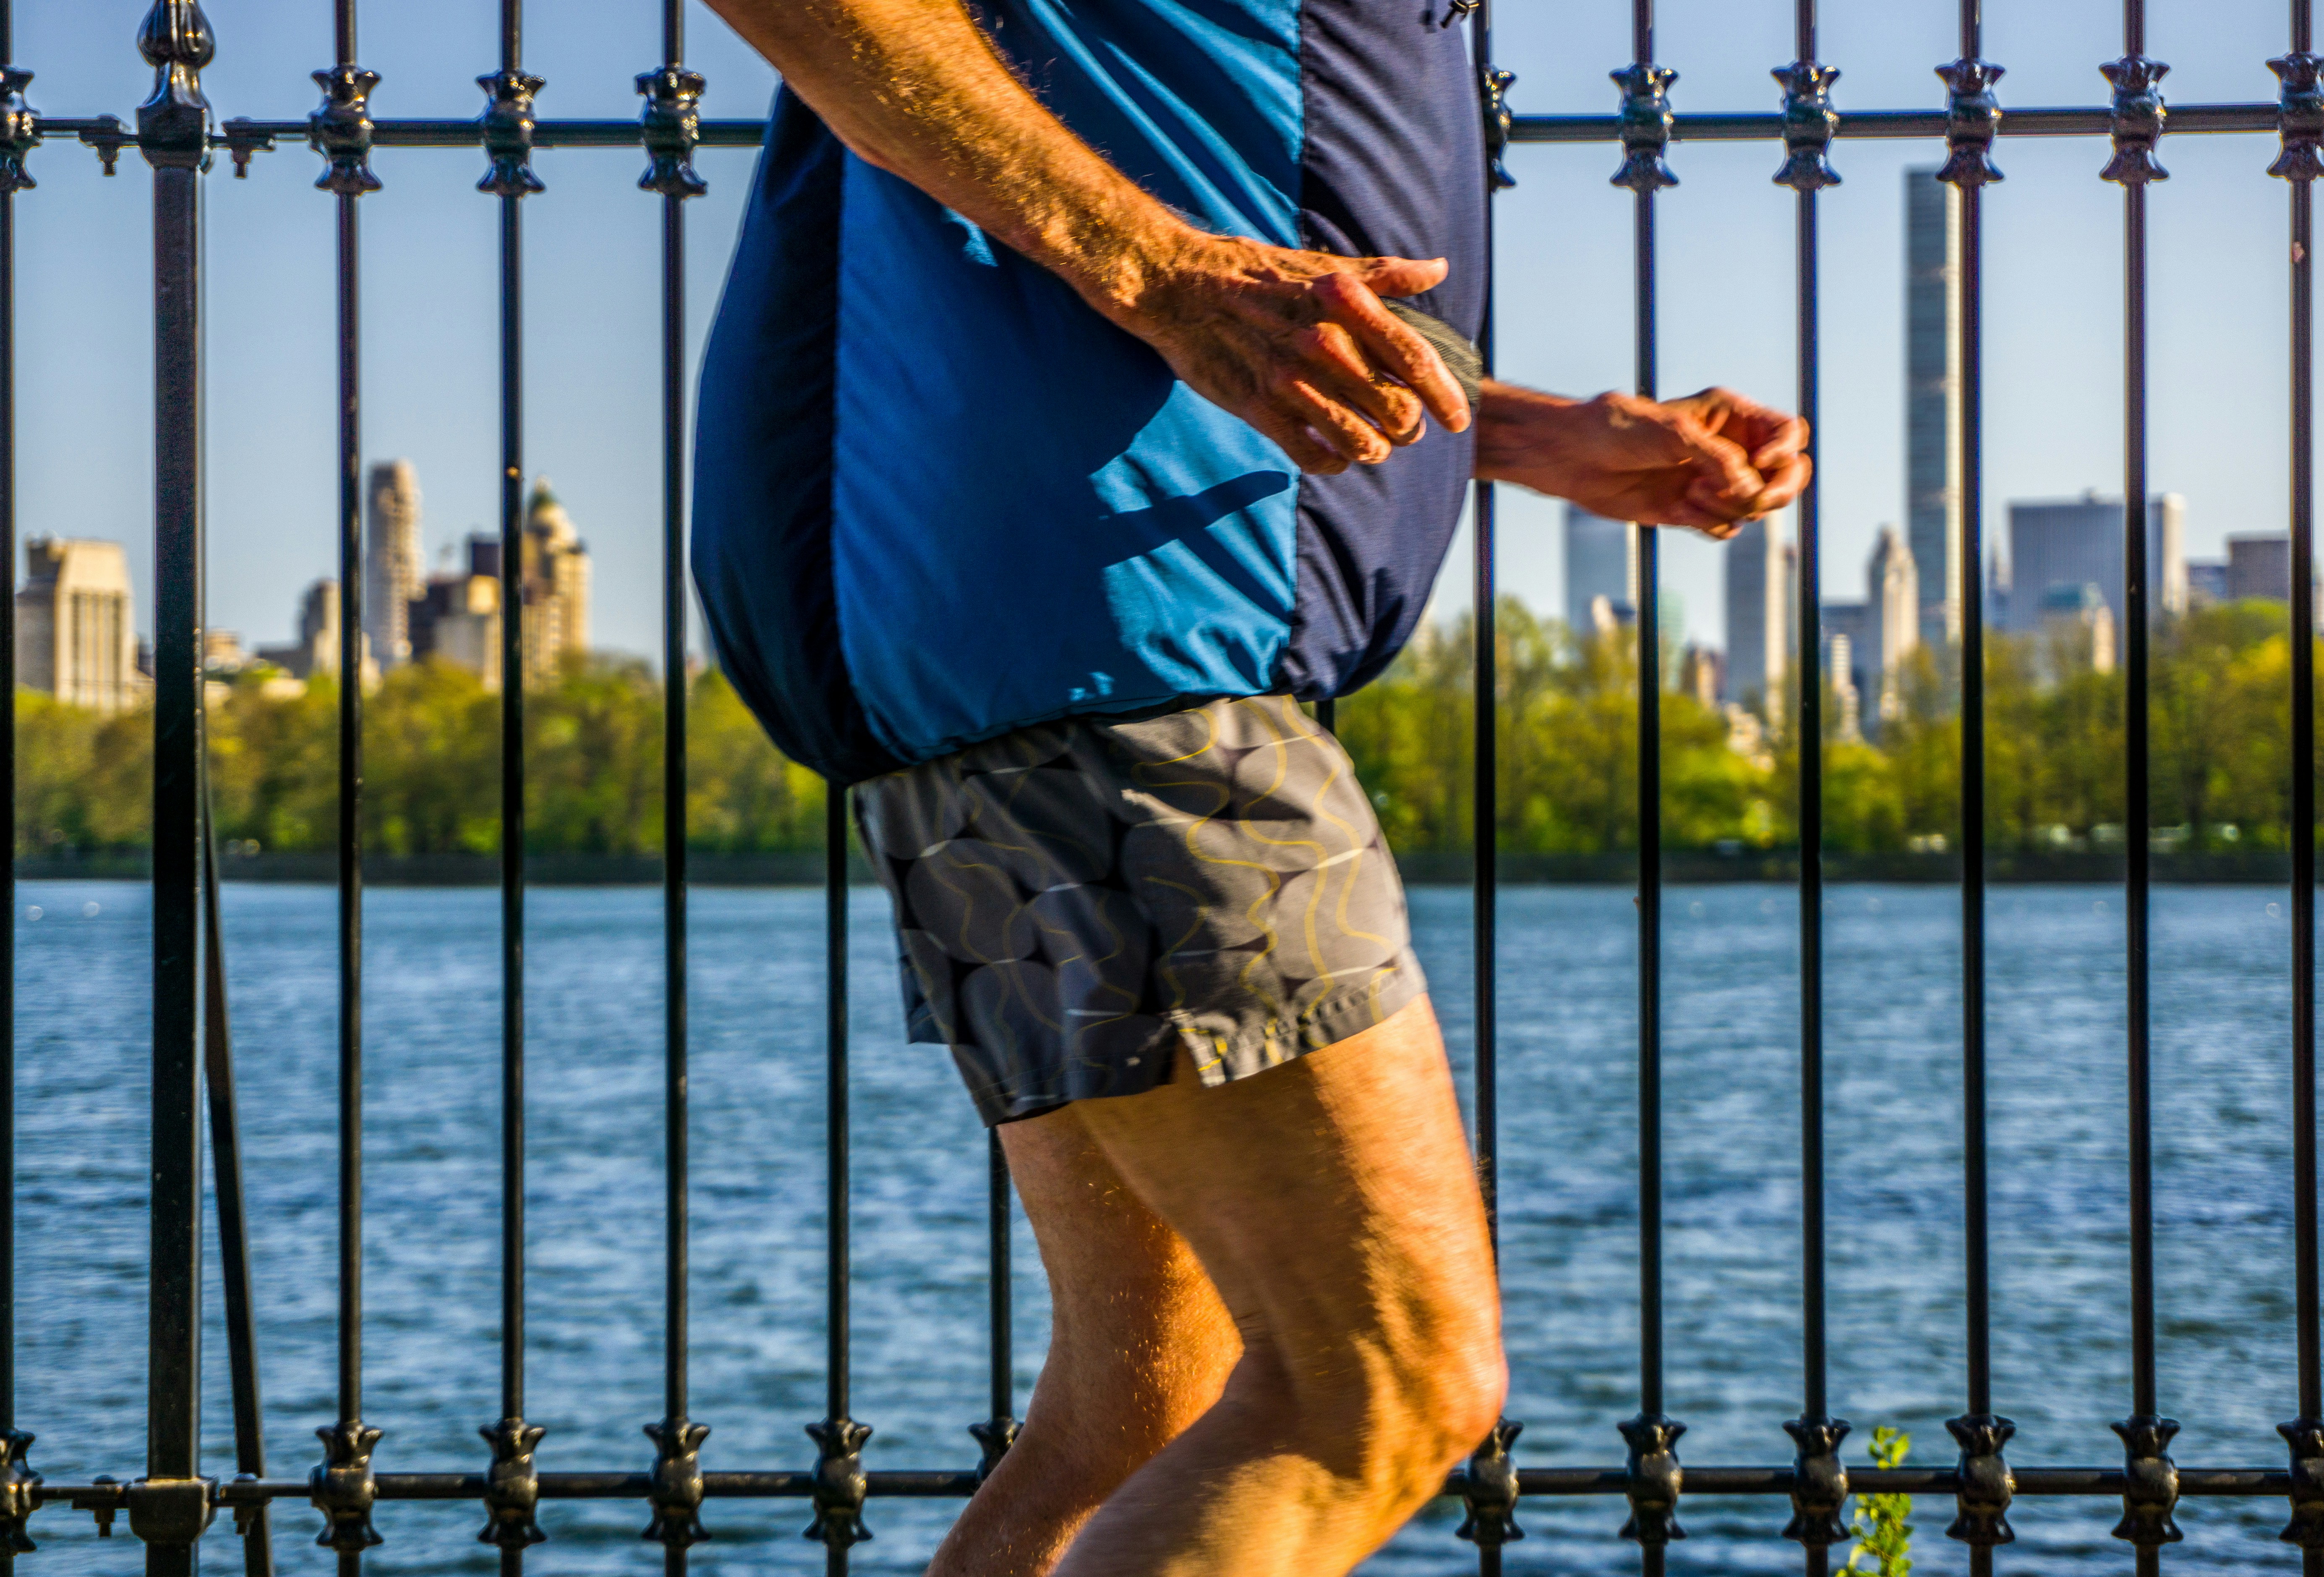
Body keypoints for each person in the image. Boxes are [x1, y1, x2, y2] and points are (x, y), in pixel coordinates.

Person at [689, 0, 1809, 1570]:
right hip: (1126, 646)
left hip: (1066, 630)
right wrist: (1152, 266)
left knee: (1144, 1407)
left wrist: (1511, 431)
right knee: (1382, 1384)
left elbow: (1210, 189)